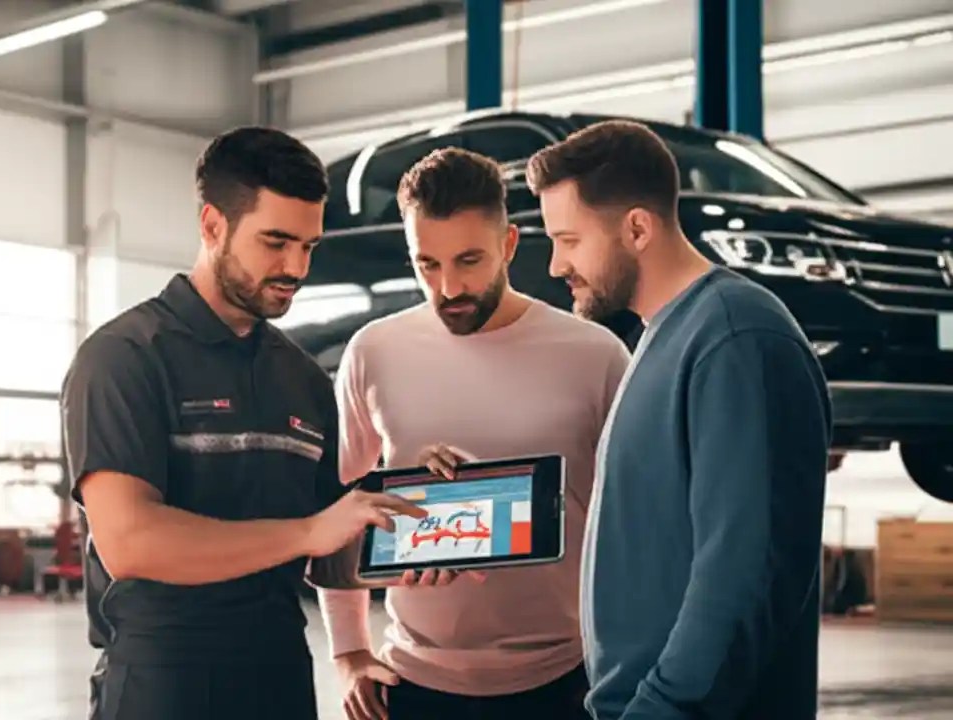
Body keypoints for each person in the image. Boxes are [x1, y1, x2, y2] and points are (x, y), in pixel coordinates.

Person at [60, 126, 425, 720]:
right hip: (165, 685)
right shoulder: (124, 357)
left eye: (309, 246)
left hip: (281, 676)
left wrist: (420, 538)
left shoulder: (304, 379)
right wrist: (308, 532)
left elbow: (328, 552)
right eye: (275, 242)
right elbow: (131, 542)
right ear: (212, 225)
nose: (296, 267)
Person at [525, 119, 832, 720]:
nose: (556, 264)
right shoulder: (661, 337)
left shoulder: (736, 338)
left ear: (636, 227)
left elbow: (746, 575)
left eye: (569, 239)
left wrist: (662, 709)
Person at [313, 147, 631, 720]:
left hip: (565, 679)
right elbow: (337, 511)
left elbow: (641, 519)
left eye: (469, 260)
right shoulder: (373, 353)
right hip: (413, 683)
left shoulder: (596, 355)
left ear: (509, 245)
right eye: (426, 264)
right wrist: (349, 651)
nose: (449, 287)